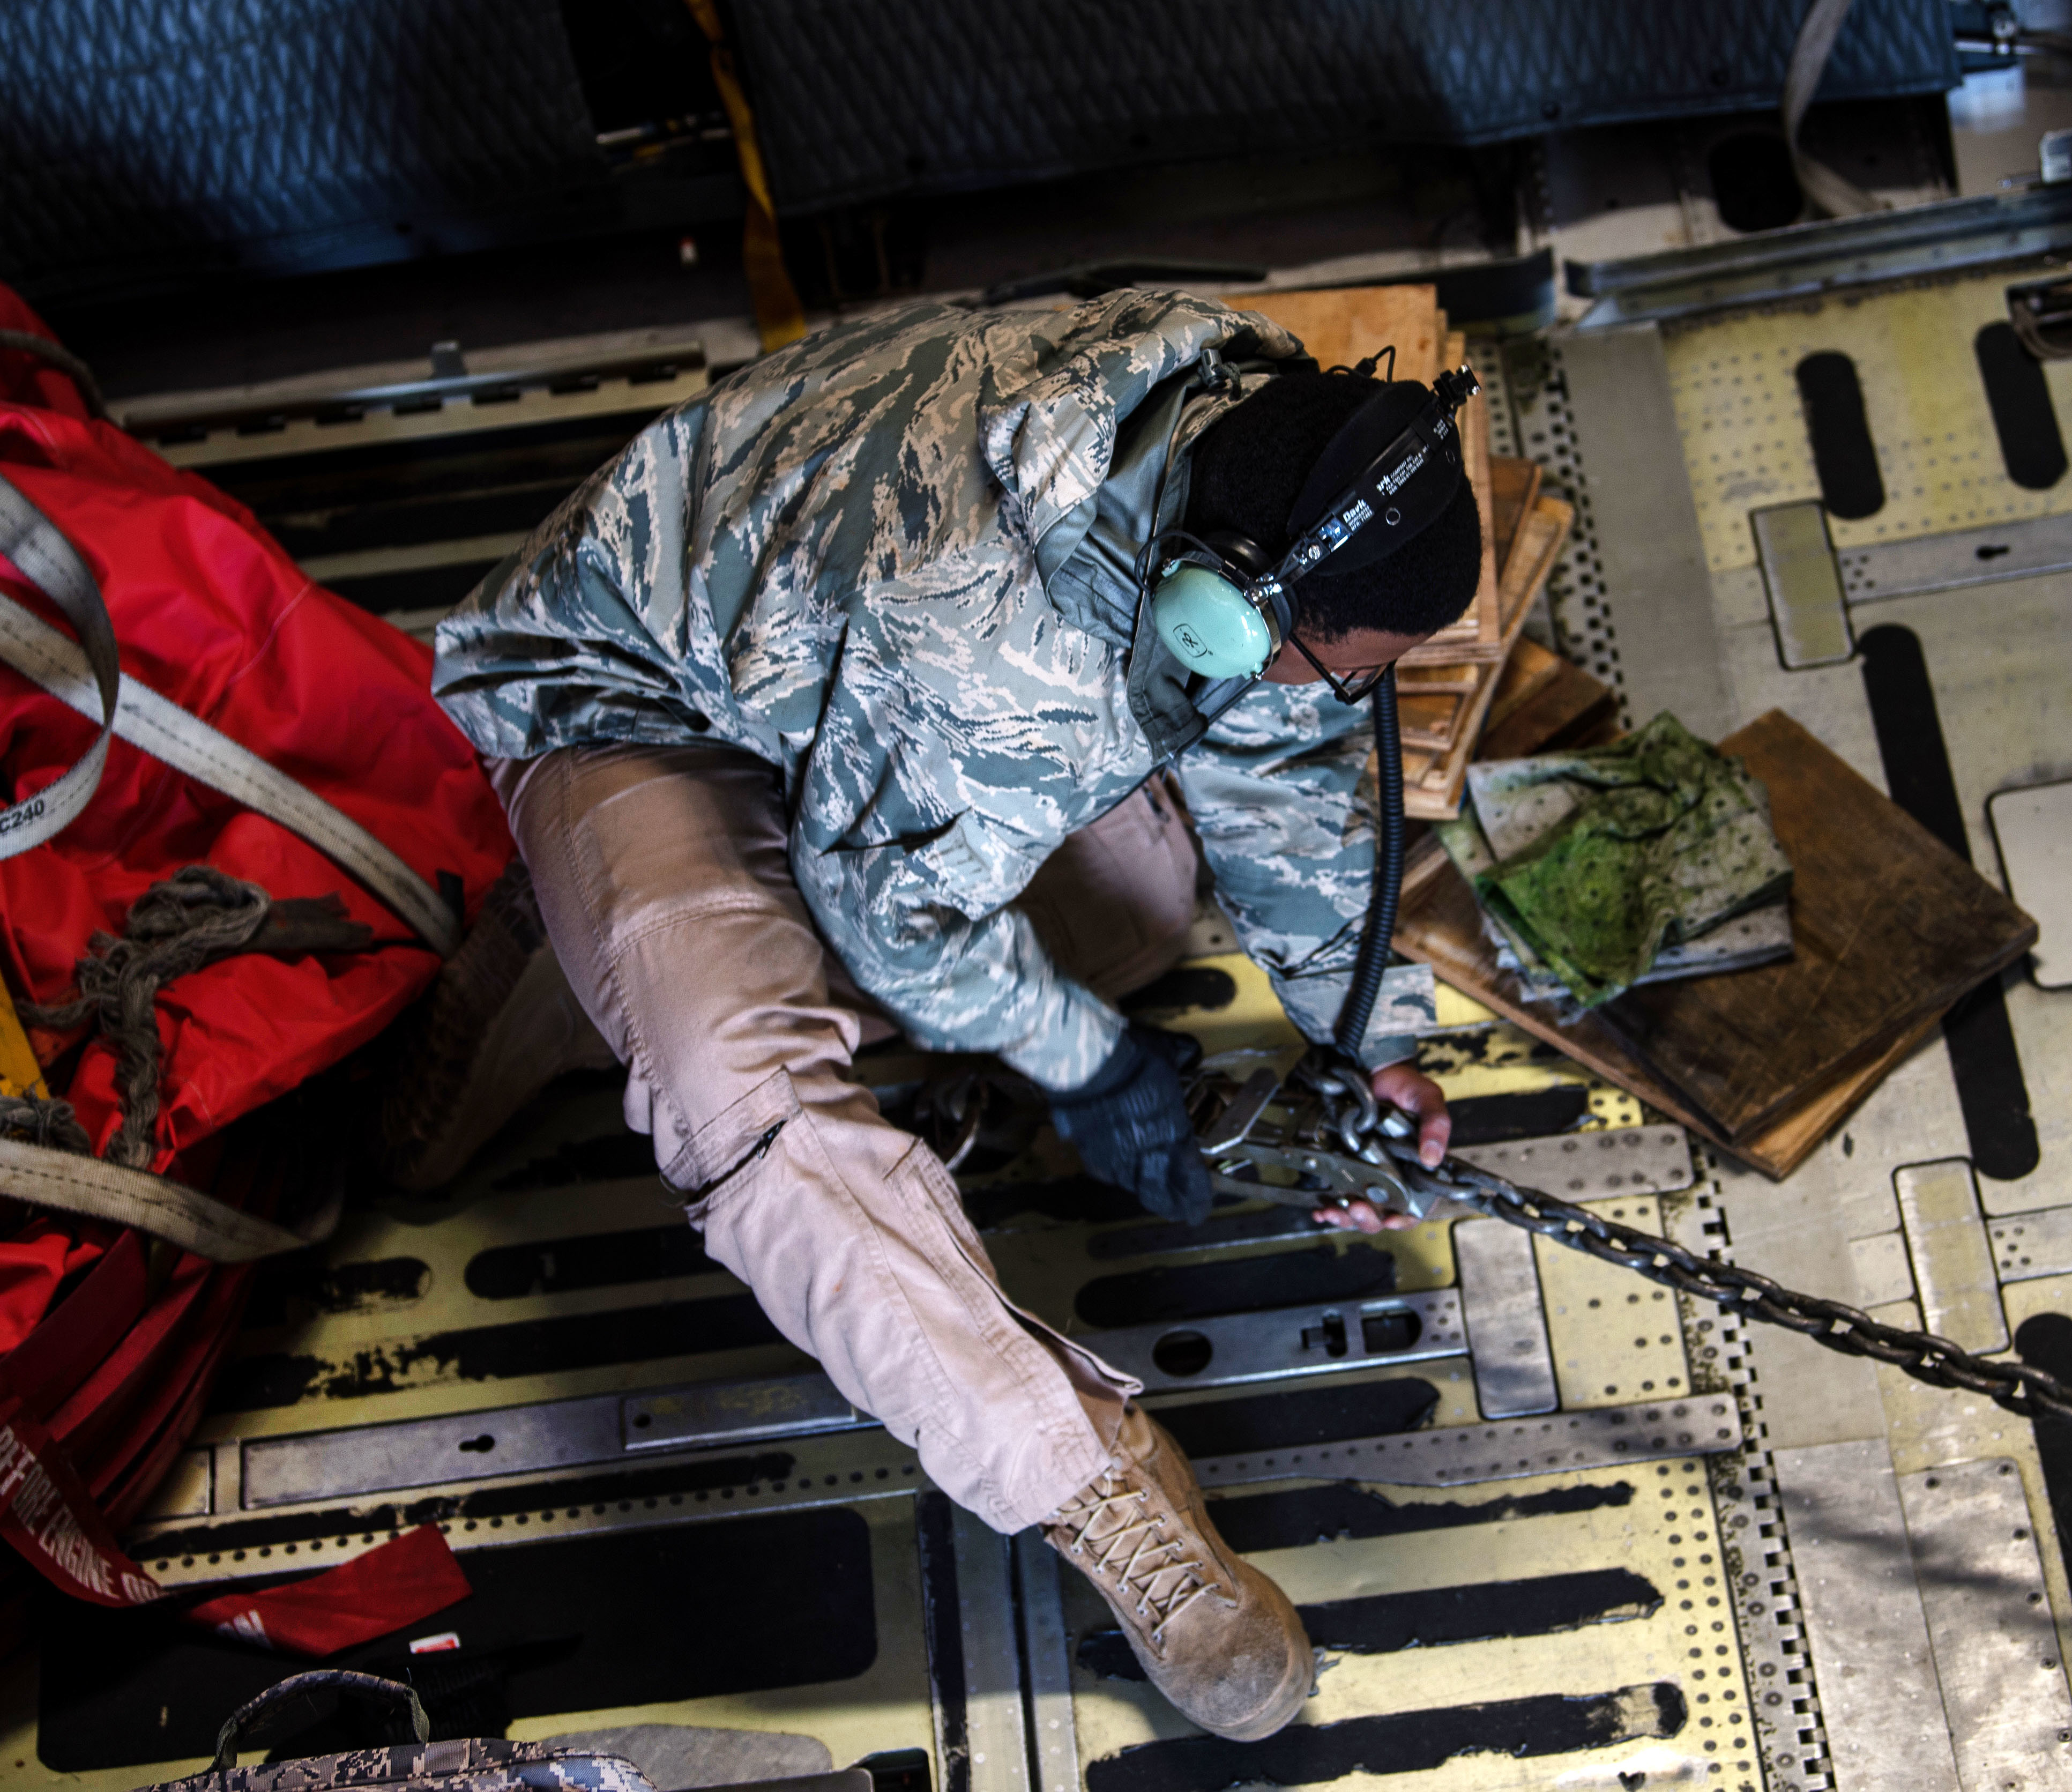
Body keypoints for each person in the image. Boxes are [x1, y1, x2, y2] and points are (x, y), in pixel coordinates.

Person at [419, 289, 1480, 1741]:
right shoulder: (986, 635)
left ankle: (619, 951)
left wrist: (1372, 1035)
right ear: (1226, 605)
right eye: (1347, 662)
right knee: (750, 1115)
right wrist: (1091, 1065)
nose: (1354, 692)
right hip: (636, 707)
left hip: (838, 677)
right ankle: (1087, 1477)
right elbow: (898, 922)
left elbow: (1285, 765)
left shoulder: (1237, 436)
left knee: (1140, 908)